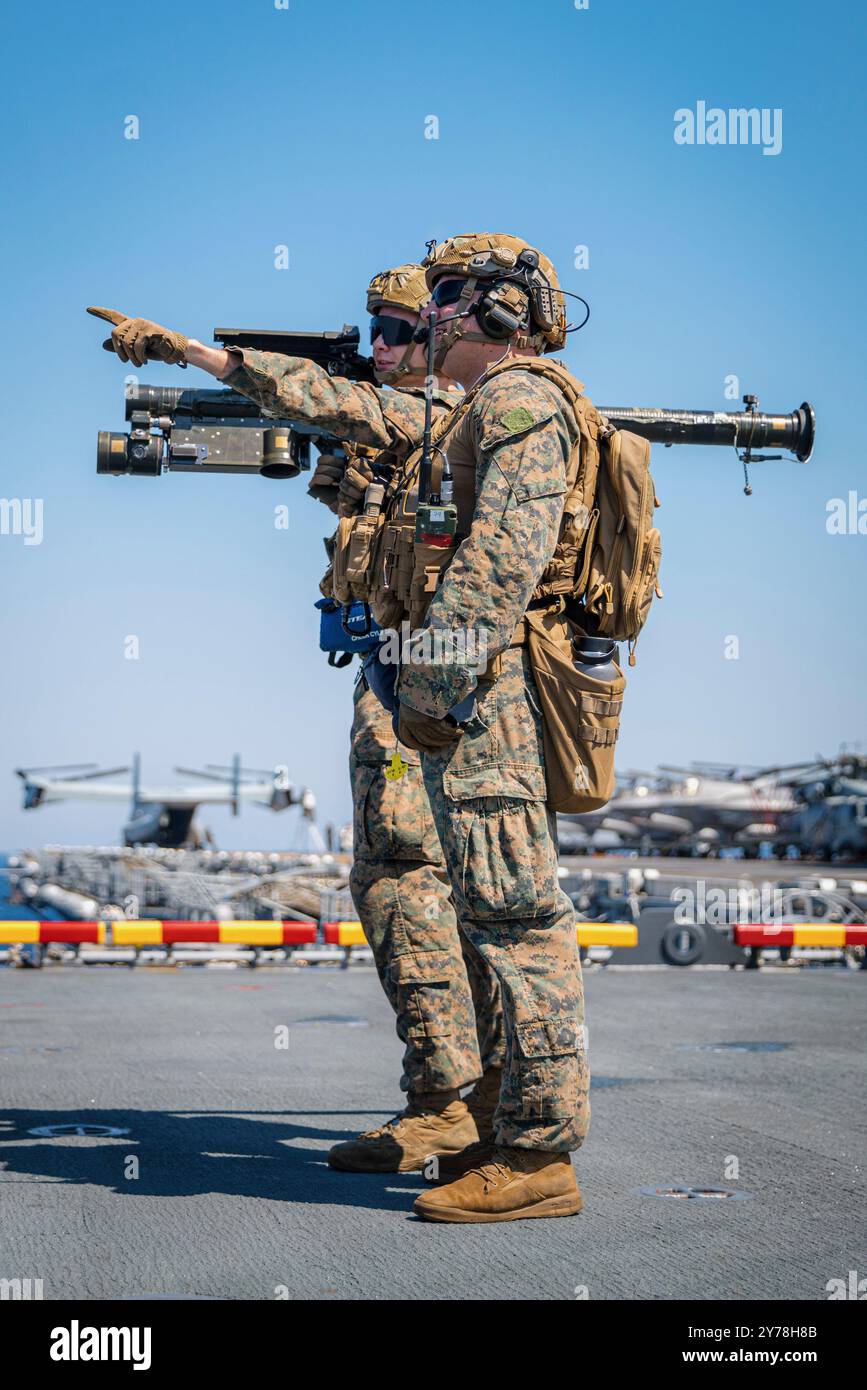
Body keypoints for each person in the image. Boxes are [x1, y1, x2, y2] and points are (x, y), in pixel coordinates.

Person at [87, 274, 504, 1173]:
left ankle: (457, 1101)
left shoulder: (443, 408)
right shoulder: (399, 418)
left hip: (430, 679)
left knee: (411, 874)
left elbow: (317, 396)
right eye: (375, 331)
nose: (384, 344)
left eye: (400, 329)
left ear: (438, 337)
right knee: (416, 877)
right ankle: (460, 1104)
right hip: (395, 667)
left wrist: (194, 354)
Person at [386, 234, 593, 1222]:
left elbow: (500, 560)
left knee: (518, 923)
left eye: (447, 297)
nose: (429, 317)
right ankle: (504, 1130)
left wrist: (428, 684)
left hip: (487, 695)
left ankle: (542, 1156)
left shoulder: (520, 399)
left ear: (500, 310)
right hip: (479, 693)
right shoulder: (482, 406)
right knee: (489, 920)